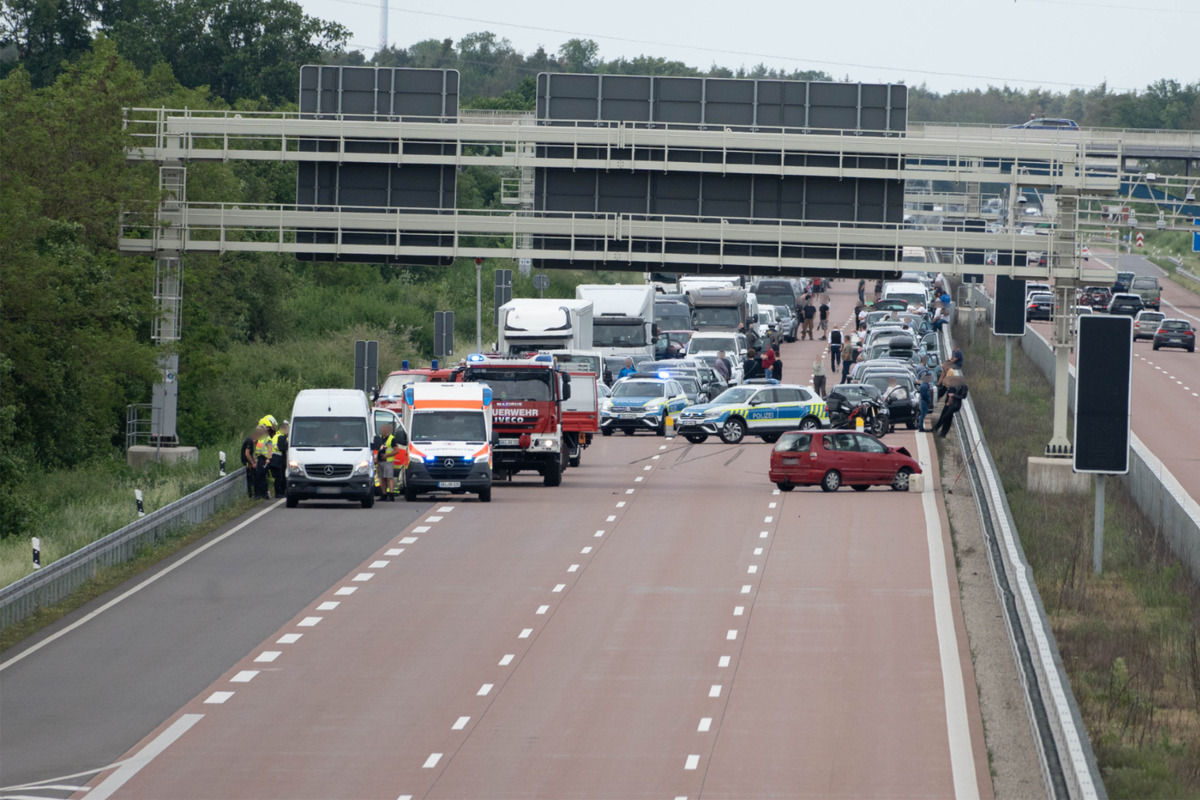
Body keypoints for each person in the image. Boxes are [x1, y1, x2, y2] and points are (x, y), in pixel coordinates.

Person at [377, 422, 398, 500]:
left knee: (389, 478)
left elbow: (396, 451)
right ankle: (384, 495)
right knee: (382, 478)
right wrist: (376, 459)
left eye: (384, 429)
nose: (383, 430)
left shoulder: (392, 438)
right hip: (380, 461)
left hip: (388, 461)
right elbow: (378, 450)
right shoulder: (379, 438)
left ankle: (391, 495)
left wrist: (386, 455)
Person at [252, 425, 273, 500]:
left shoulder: (267, 439)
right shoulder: (260, 439)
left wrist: (268, 459)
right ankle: (263, 493)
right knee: (261, 476)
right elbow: (258, 448)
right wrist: (255, 442)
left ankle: (261, 494)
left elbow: (270, 449)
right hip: (260, 458)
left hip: (265, 459)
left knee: (260, 475)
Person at [269, 421, 289, 499]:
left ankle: (280, 492)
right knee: (279, 477)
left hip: (276, 459)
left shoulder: (277, 436)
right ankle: (278, 493)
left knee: (279, 477)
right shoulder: (279, 436)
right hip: (277, 459)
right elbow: (280, 448)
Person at [240, 426, 257, 499]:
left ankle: (252, 493)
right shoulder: (249, 441)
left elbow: (252, 453)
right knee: (250, 478)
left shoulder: (250, 441)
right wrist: (252, 463)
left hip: (249, 461)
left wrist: (254, 461)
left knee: (253, 477)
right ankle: (250, 494)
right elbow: (247, 453)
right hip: (246, 462)